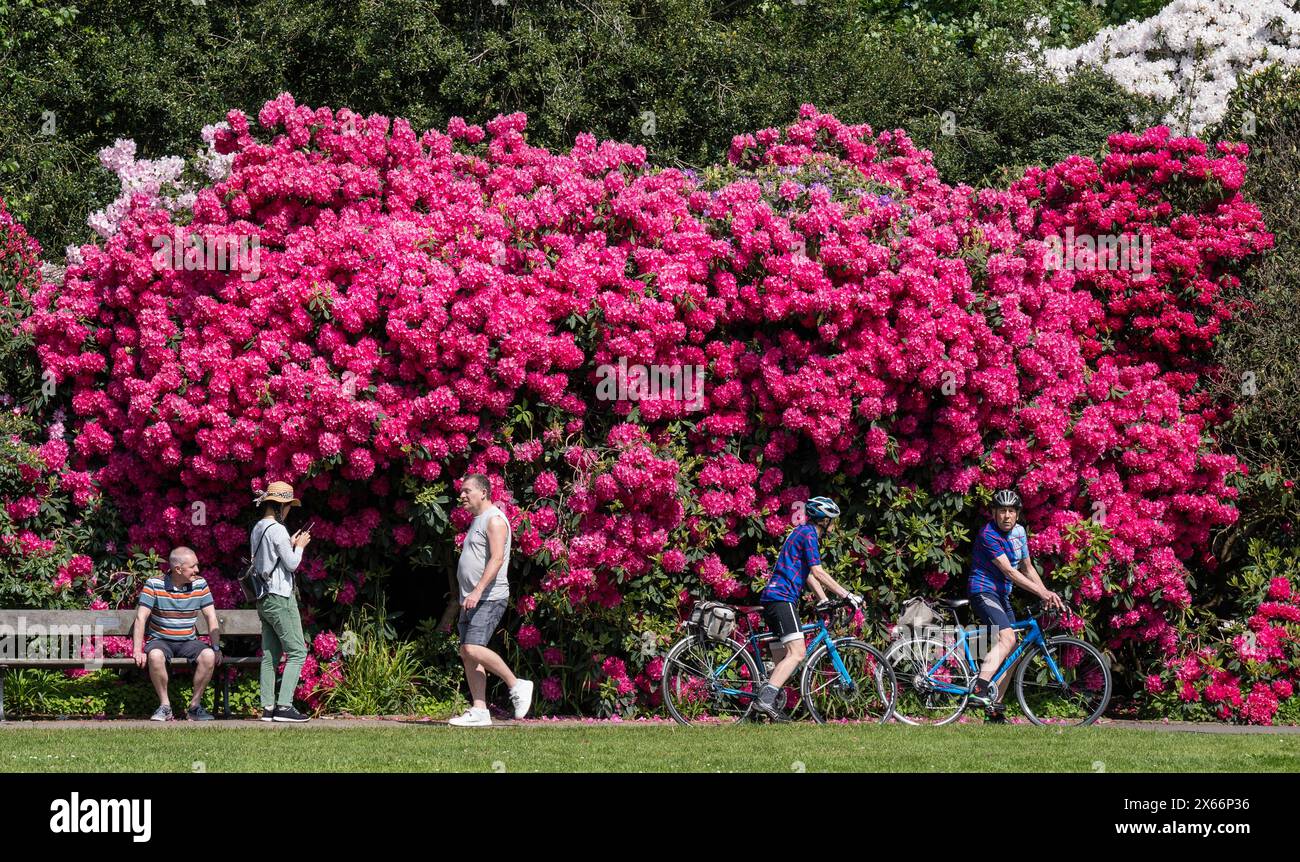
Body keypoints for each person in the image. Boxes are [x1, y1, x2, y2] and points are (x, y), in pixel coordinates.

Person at [752, 496, 863, 723]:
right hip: (782, 598)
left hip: (776, 597)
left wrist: (823, 600)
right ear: (823, 520)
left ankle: (765, 707)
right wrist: (847, 595)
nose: (834, 525)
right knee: (798, 653)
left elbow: (809, 574)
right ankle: (764, 701)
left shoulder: (802, 532)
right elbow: (818, 571)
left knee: (785, 656)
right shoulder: (809, 534)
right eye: (832, 520)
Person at [966, 489, 1066, 720]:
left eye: (1011, 511)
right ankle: (979, 689)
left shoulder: (1020, 533)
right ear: (994, 513)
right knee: (1007, 638)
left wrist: (1046, 593)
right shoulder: (988, 534)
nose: (1007, 516)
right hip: (983, 591)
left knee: (1015, 652)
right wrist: (1043, 593)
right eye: (1002, 511)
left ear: (1018, 514)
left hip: (1002, 595)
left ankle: (994, 710)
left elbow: (1027, 568)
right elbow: (1010, 572)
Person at [447, 473, 533, 726]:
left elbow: (497, 559)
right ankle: (480, 711)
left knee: (472, 648)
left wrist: (476, 591)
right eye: (461, 491)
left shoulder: (494, 520)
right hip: (471, 599)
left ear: (483, 492)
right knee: (468, 654)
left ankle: (517, 684)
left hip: (487, 597)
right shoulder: (478, 520)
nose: (461, 495)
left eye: (467, 491)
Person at [132, 547, 222, 721]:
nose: (197, 570)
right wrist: (137, 650)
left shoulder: (200, 584)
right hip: (160, 640)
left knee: (209, 655)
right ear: (178, 569)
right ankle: (165, 706)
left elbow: (211, 616)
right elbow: (141, 617)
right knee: (155, 656)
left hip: (188, 641)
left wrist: (216, 647)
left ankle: (194, 708)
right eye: (193, 566)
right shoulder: (154, 584)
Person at [251, 481, 312, 723]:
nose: (288, 512)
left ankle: (268, 707)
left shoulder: (258, 527)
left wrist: (290, 544)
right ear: (280, 506)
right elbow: (292, 564)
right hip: (280, 597)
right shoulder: (277, 529)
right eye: (288, 507)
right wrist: (300, 547)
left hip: (263, 597)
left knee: (270, 654)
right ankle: (284, 706)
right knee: (297, 652)